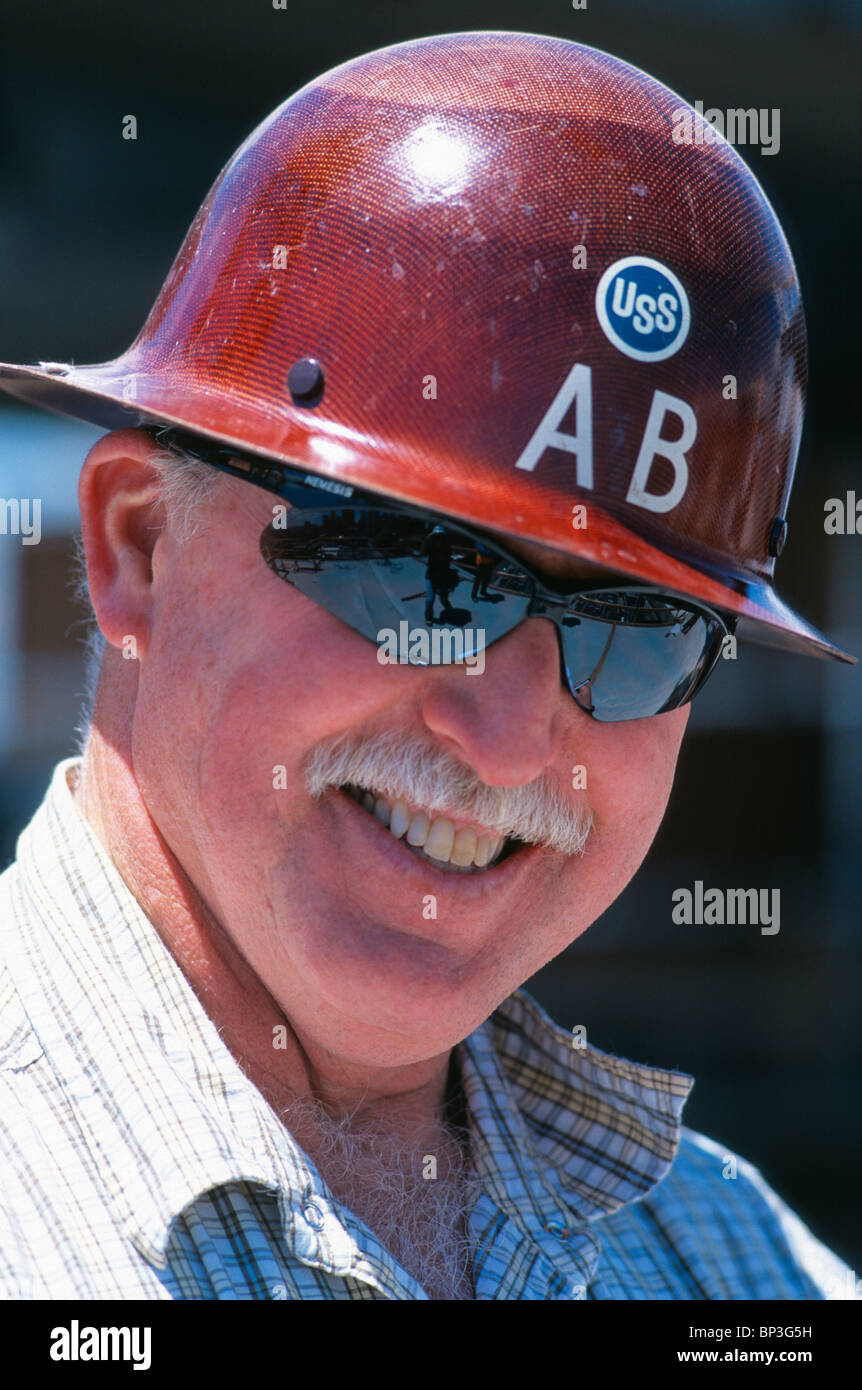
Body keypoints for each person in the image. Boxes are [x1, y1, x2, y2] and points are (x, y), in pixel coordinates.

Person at [0, 31, 856, 1301]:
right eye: (422, 574)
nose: (510, 737)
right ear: (139, 541)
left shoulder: (741, 1268)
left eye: (638, 630)